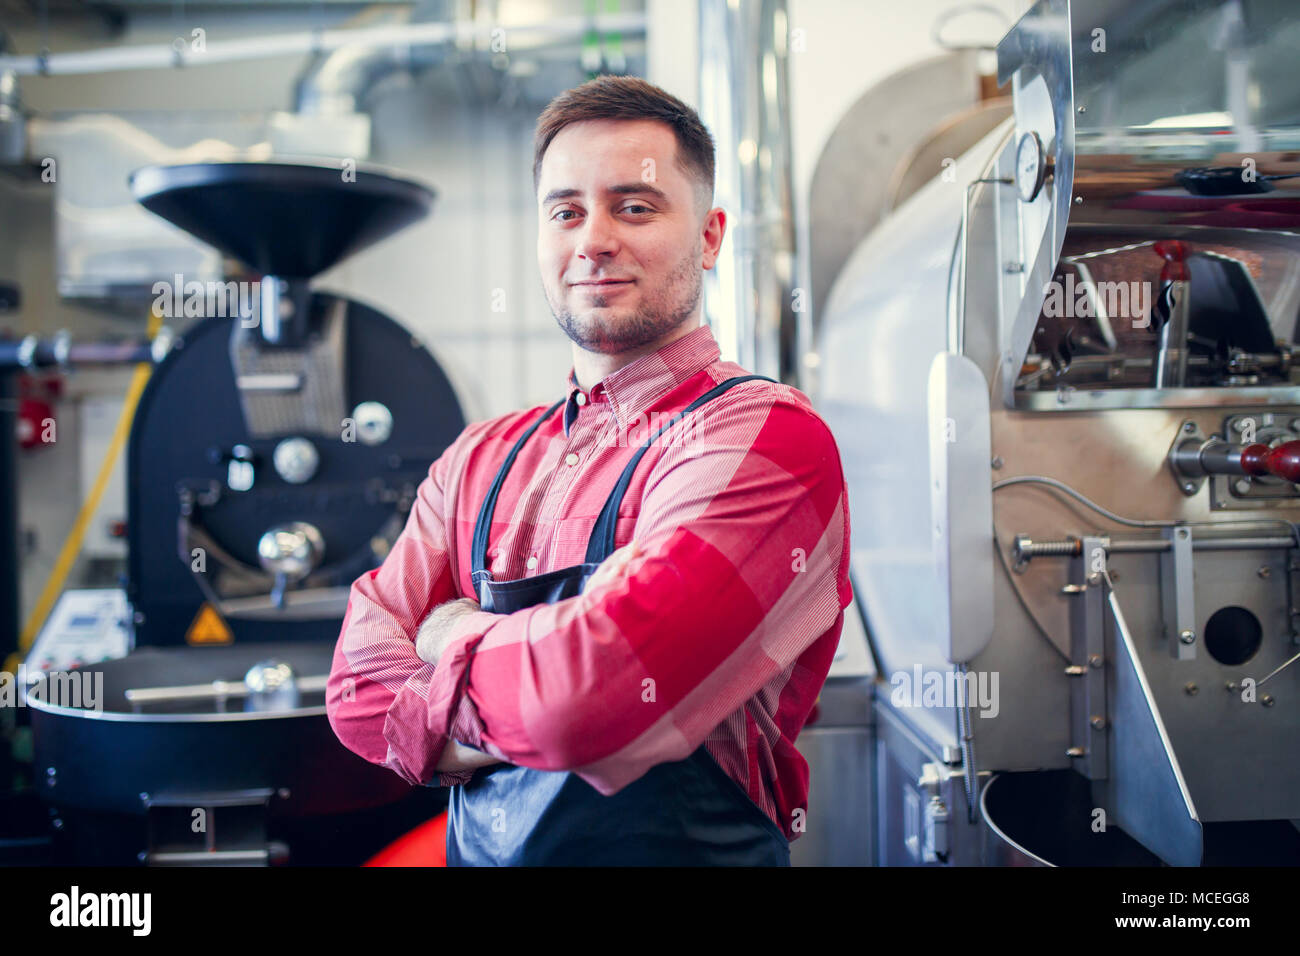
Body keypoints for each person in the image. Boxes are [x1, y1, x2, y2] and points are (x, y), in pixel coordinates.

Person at [326, 74, 852, 866]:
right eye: (565, 211)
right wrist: (537, 685)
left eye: (633, 207)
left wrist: (450, 631)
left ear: (709, 237)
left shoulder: (766, 437)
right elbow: (356, 689)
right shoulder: (479, 459)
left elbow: (592, 697)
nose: (593, 239)